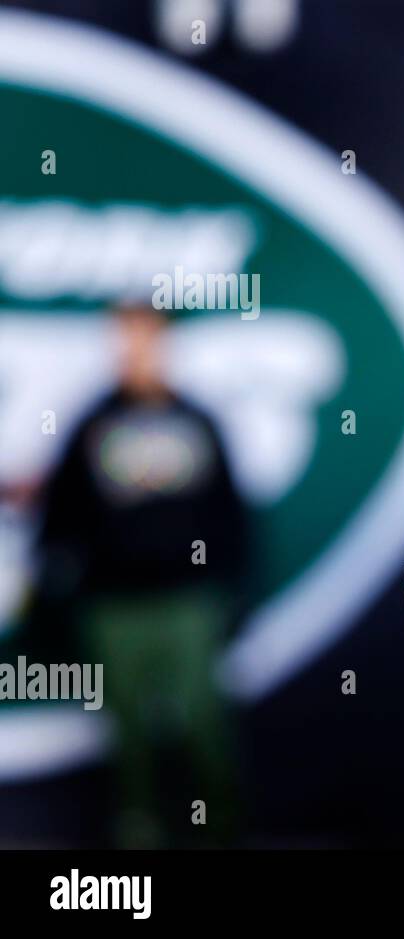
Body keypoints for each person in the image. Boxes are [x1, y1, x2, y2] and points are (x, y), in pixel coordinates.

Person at [33, 303, 248, 848]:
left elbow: (230, 516)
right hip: (115, 607)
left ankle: (220, 832)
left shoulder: (198, 421)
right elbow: (58, 519)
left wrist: (233, 595)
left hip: (187, 604)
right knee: (129, 740)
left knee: (203, 730)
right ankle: (138, 845)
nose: (135, 352)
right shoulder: (90, 424)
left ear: (165, 344)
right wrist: (62, 590)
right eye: (125, 339)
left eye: (146, 339)